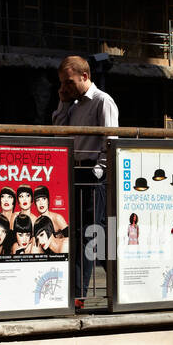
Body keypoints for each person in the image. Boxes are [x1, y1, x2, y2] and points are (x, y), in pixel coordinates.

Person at [52, 55, 117, 300]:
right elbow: (59, 134)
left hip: (93, 174)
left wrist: (98, 172)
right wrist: (62, 102)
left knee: (89, 233)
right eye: (62, 83)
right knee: (90, 235)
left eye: (69, 82)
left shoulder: (103, 101)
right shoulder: (74, 104)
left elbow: (111, 141)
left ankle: (78, 294)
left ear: (85, 76)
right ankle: (121, 282)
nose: (65, 87)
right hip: (75, 172)